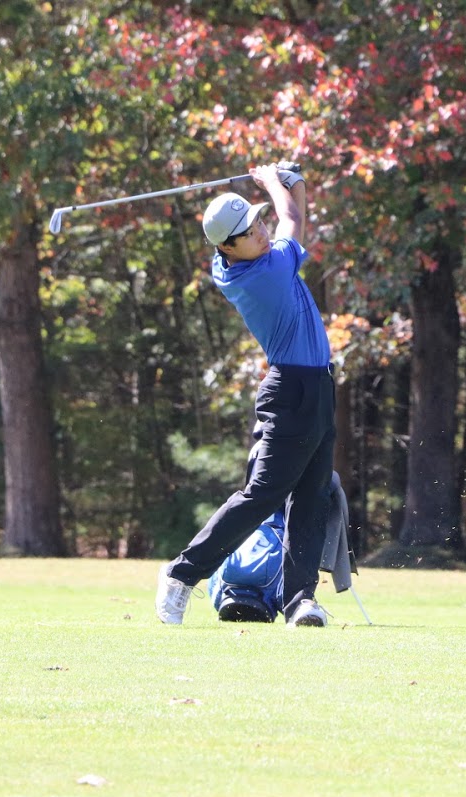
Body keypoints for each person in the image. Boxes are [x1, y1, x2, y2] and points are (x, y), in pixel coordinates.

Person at [155, 162, 336, 627]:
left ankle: (299, 600)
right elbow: (293, 222)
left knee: (311, 497)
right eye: (248, 231)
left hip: (317, 385)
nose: (259, 232)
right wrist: (276, 183)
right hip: (291, 389)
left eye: (258, 223)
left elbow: (292, 217)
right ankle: (182, 574)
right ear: (227, 247)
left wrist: (296, 184)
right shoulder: (264, 272)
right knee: (261, 495)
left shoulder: (240, 262)